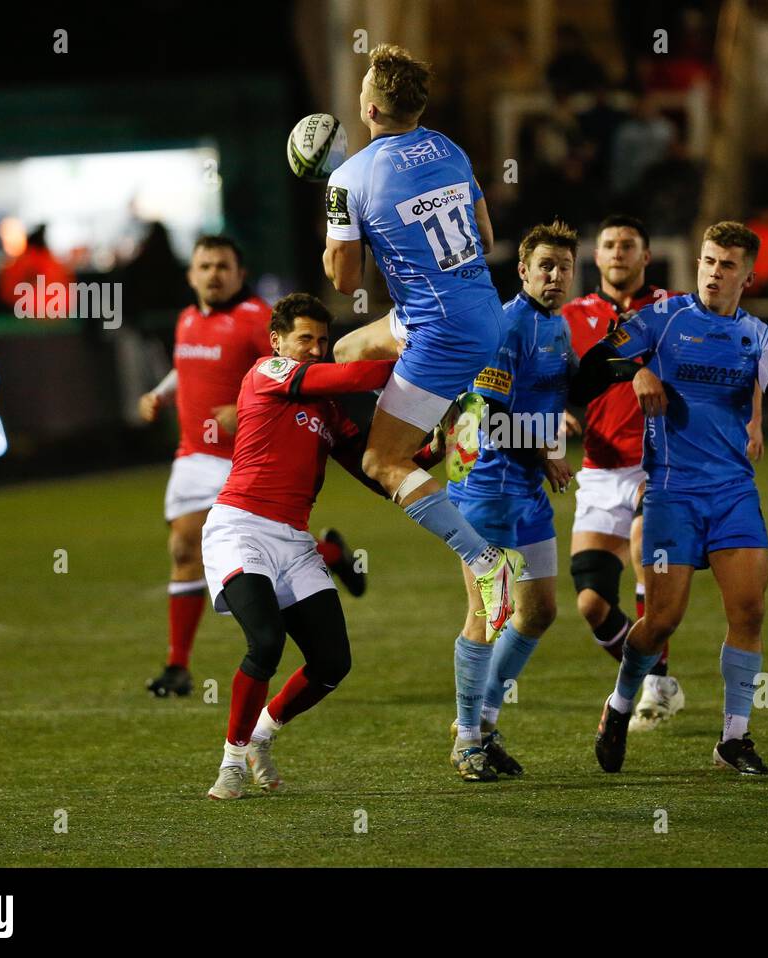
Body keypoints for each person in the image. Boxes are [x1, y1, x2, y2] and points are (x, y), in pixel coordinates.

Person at [575, 221, 768, 776]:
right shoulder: (665, 318)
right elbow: (588, 372)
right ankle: (621, 703)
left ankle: (734, 738)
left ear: (747, 277)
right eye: (707, 261)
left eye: (727, 265)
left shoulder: (755, 334)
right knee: (662, 619)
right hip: (671, 495)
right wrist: (637, 370)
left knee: (749, 611)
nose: (713, 273)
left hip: (732, 494)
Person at [203, 294, 442, 799]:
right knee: (264, 643)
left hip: (293, 539)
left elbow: (374, 470)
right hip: (240, 527)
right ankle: (231, 761)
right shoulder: (266, 372)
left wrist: (429, 455)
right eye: (304, 339)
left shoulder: (327, 411)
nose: (315, 349)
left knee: (332, 662)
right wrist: (423, 359)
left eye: (322, 341)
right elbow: (353, 376)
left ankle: (262, 737)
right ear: (278, 341)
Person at [322, 43, 523, 640]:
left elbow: (345, 279)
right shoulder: (449, 148)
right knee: (345, 353)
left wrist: (334, 227)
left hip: (441, 329)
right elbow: (484, 236)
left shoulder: (348, 179)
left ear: (372, 110)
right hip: (478, 306)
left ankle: (487, 562)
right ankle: (429, 429)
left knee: (380, 459)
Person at [140, 237, 363, 699]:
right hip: (191, 452)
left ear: (240, 274)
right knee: (183, 547)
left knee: (264, 545)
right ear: (191, 274)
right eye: (205, 265)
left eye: (223, 265)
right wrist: (161, 394)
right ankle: (177, 665)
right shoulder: (186, 320)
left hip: (242, 456)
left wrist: (245, 407)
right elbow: (185, 366)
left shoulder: (257, 321)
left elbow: (292, 372)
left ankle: (330, 557)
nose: (213, 274)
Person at [445, 221, 577, 781]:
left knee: (540, 610)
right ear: (522, 271)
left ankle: (487, 720)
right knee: (489, 611)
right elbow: (492, 418)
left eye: (563, 267)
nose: (554, 276)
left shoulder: (559, 327)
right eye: (544, 265)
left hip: (522, 487)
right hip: (486, 484)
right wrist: (547, 450)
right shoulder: (508, 326)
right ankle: (467, 736)